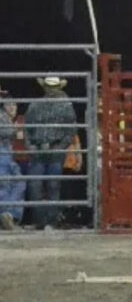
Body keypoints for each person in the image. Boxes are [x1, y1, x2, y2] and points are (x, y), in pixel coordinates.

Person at [24, 76, 78, 230]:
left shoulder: (65, 106)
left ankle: (50, 221)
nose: (51, 90)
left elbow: (71, 130)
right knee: (36, 186)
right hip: (39, 149)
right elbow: (27, 128)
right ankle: (42, 220)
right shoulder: (36, 105)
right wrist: (31, 146)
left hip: (55, 149)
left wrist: (61, 146)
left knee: (52, 185)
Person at [0, 91, 23, 230]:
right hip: (2, 153)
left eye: (15, 105)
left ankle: (8, 214)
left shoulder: (6, 118)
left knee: (16, 182)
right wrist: (15, 132)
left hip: (6, 153)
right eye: (10, 105)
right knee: (8, 183)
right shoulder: (2, 117)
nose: (13, 108)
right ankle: (7, 214)